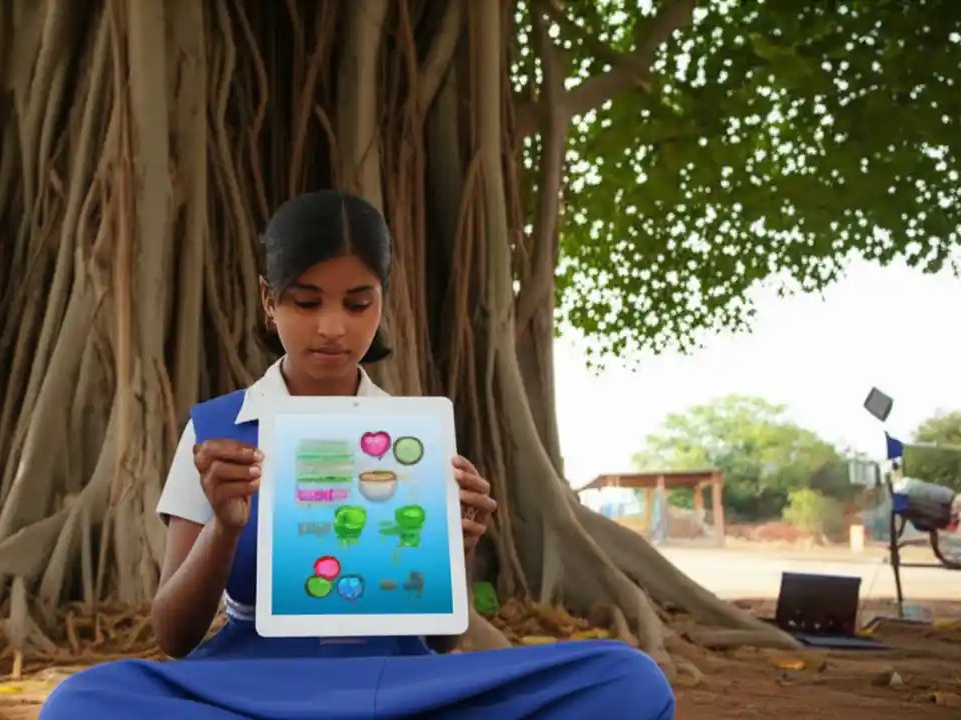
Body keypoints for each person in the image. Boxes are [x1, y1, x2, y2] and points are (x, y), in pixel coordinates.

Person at [40, 190, 675, 719]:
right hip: (254, 688)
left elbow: (442, 639)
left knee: (627, 679)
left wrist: (455, 550)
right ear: (269, 301)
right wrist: (225, 529)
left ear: (382, 300)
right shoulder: (218, 432)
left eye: (357, 302)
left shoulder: (413, 435)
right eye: (306, 301)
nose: (332, 327)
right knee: (81, 704)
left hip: (401, 685)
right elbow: (174, 638)